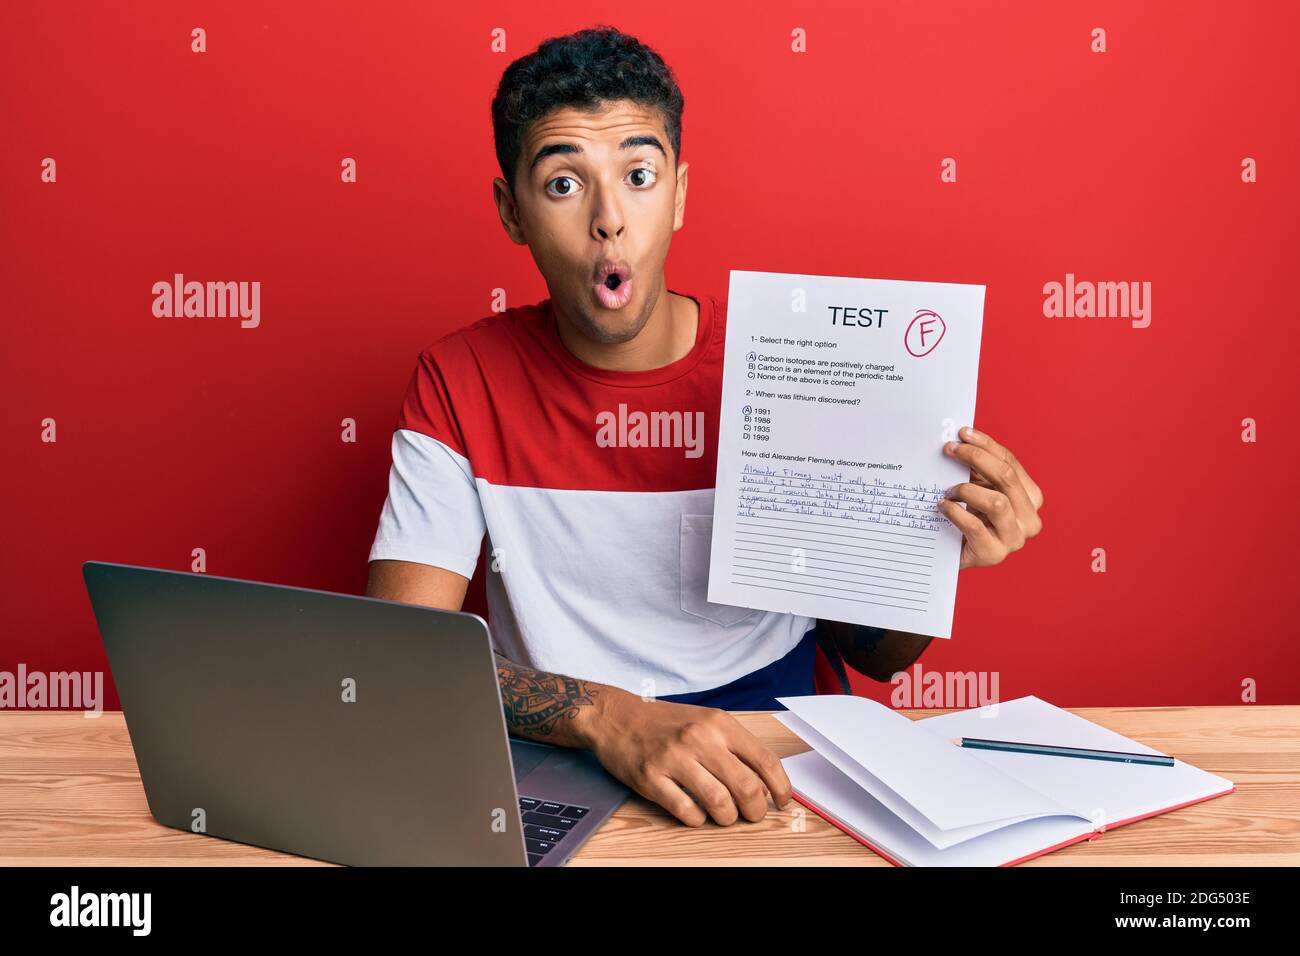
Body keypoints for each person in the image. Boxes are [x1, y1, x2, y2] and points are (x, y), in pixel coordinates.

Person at [366, 25, 1044, 828]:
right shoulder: (460, 379)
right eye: (563, 185)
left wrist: (927, 557)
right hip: (570, 760)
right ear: (511, 210)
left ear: (680, 193)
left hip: (785, 764)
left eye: (640, 175)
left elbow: (874, 653)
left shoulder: (798, 362)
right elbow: (403, 653)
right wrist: (607, 717)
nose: (609, 219)